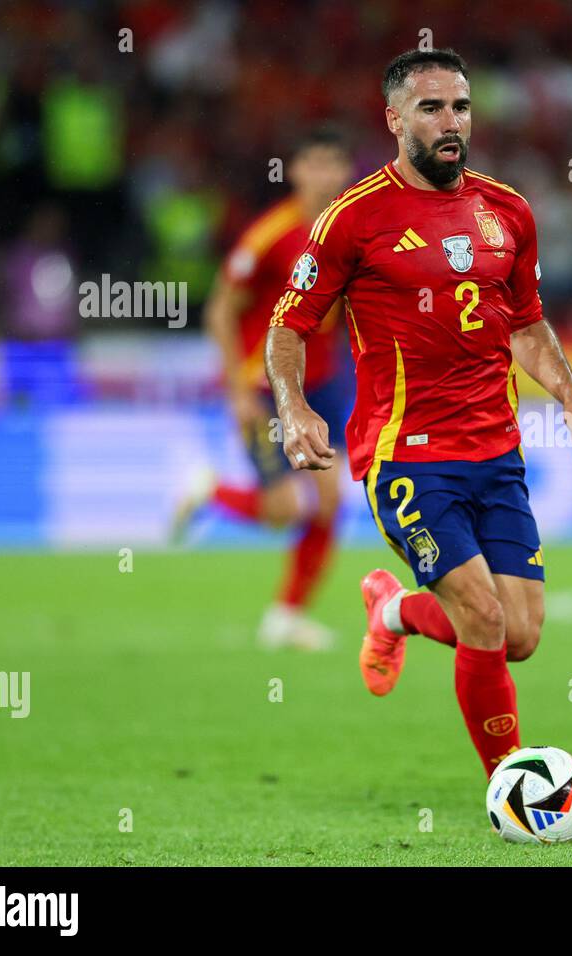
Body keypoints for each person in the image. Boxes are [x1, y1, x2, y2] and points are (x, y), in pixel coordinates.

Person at [264, 49, 572, 774]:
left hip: (497, 455)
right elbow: (287, 326)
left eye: (461, 107)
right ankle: (514, 788)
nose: (451, 123)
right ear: (393, 119)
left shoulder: (506, 209)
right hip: (409, 457)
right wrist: (292, 407)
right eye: (431, 108)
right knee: (482, 619)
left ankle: (391, 612)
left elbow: (526, 324)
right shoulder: (352, 220)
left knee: (519, 634)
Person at [172, 126, 355, 650]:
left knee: (327, 502)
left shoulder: (350, 231)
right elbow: (221, 309)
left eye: (333, 164)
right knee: (284, 511)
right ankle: (211, 490)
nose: (324, 175)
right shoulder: (269, 235)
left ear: (345, 173)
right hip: (265, 387)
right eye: (313, 164)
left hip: (323, 384)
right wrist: (235, 390)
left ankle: (286, 616)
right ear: (295, 171)